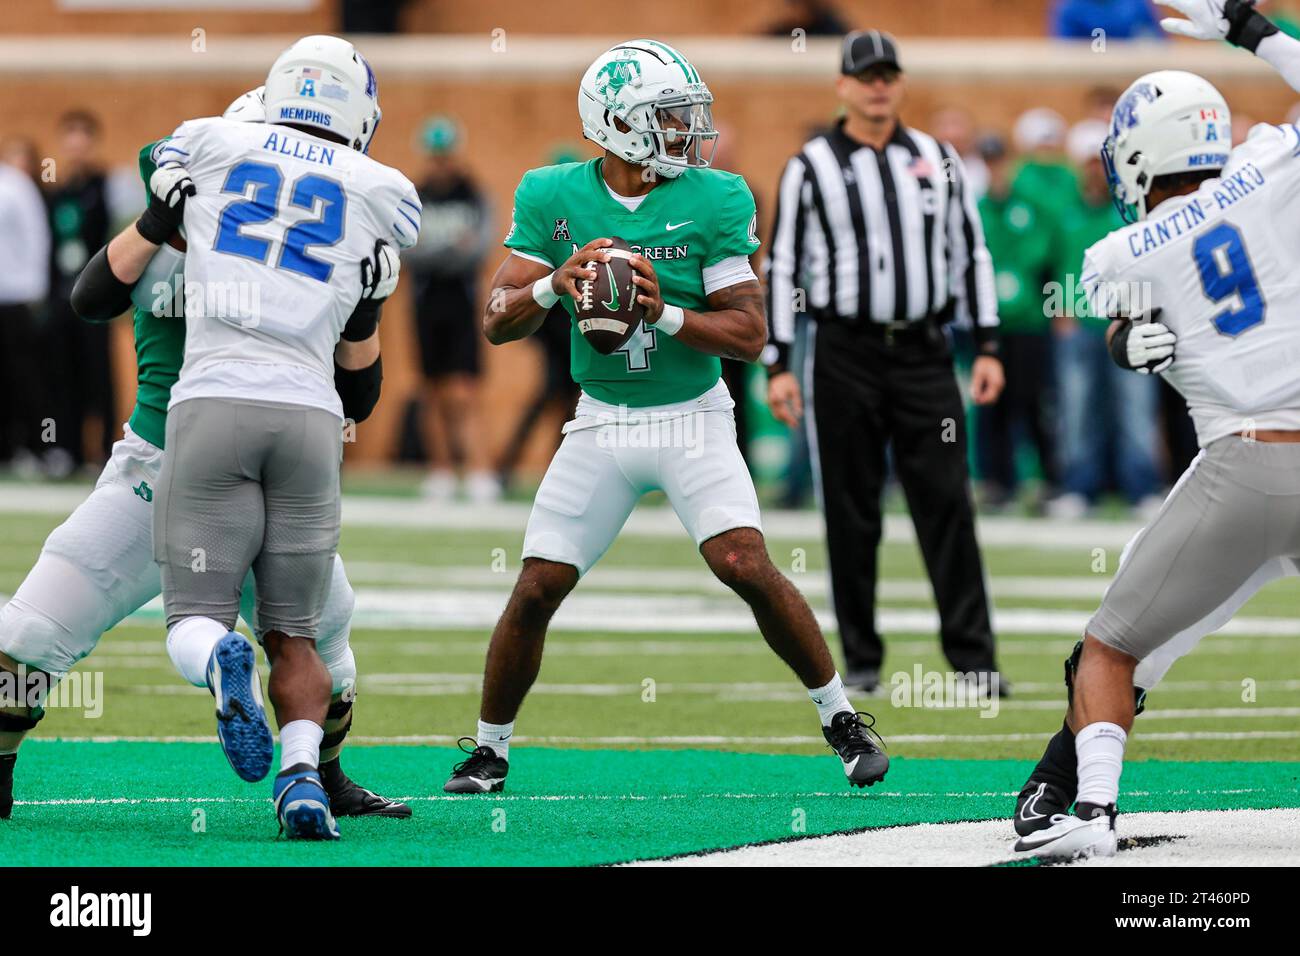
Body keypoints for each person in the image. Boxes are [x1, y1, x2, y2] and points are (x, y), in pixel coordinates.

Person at [443, 39, 889, 796]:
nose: (689, 131)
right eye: (670, 117)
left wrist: (667, 314)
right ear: (617, 123)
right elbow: (497, 319)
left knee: (742, 562)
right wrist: (555, 282)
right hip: (602, 421)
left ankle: (842, 720)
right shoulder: (551, 194)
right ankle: (489, 751)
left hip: (692, 417)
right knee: (537, 586)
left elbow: (749, 334)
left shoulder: (716, 197)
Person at [0, 85, 410, 826]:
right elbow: (359, 400)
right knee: (317, 640)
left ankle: (321, 767)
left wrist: (159, 216)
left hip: (169, 468)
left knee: (28, 639)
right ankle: (314, 772)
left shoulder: (190, 225)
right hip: (245, 469)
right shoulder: (300, 242)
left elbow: (87, 298)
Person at [1015, 0, 1300, 859]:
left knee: (1113, 648)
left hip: (1242, 469)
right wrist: (1250, 26)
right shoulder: (1275, 162)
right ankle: (1052, 783)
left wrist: (1120, 341)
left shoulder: (1118, 255)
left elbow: (1125, 317)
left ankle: (1090, 813)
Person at [109, 36, 412, 840]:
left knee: (196, 615)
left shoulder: (210, 139)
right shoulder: (384, 189)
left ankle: (217, 660)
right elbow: (364, 383)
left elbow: (164, 170)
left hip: (212, 403)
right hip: (312, 420)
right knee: (297, 634)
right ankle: (303, 780)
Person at [765, 30, 1006, 694]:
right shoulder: (811, 164)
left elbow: (971, 251)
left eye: (888, 74)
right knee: (850, 506)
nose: (878, 85)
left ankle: (974, 660)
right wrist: (778, 359)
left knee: (948, 502)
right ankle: (862, 661)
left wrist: (986, 344)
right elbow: (782, 263)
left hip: (927, 353)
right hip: (844, 352)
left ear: (899, 83)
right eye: (865, 75)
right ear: (842, 85)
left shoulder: (938, 158)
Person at [1046, 119, 1165, 520]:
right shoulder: (1065, 213)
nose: (1096, 172)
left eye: (1102, 164)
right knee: (1078, 412)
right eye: (1090, 164)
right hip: (1080, 325)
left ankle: (1141, 486)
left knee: (1135, 412)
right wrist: (1062, 310)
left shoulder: (1134, 211)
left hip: (1130, 324)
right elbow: (1057, 265)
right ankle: (1080, 487)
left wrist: (1144, 313)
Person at [403, 116, 498, 502]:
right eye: (435, 156)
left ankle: (478, 469)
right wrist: (447, 250)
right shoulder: (416, 195)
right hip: (426, 302)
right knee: (431, 390)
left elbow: (479, 249)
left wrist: (435, 252)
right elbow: (406, 249)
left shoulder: (473, 194)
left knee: (464, 390)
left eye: (446, 156)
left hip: (460, 301)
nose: (441, 163)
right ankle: (440, 470)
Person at [975, 134, 1058, 509]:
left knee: (1031, 402)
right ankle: (997, 481)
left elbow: (1039, 255)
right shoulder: (977, 208)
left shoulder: (1029, 207)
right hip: (991, 325)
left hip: (1026, 323)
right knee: (992, 406)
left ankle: (1045, 480)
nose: (995, 169)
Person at [44, 110, 115, 475]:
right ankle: (65, 450)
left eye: (82, 138)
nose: (75, 146)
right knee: (62, 373)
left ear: (91, 143)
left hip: (96, 297)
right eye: (69, 138)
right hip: (61, 298)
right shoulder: (56, 191)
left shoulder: (105, 186)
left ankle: (103, 453)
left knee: (98, 376)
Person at [0, 137, 50, 472]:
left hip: (17, 296)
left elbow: (37, 236)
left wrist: (37, 288)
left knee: (24, 376)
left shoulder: (15, 186)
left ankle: (36, 448)